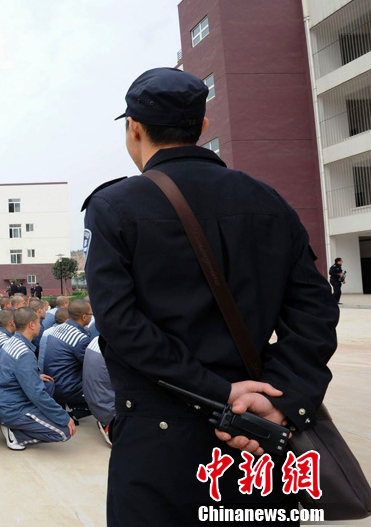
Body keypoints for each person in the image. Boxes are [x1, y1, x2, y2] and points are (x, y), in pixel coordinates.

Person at [83, 67, 338, 525]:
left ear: (134, 128)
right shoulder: (269, 201)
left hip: (160, 439)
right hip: (257, 435)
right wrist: (281, 400)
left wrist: (218, 392)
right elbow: (315, 310)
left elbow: (122, 327)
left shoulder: (114, 208)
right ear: (202, 127)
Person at [0, 308, 76, 450]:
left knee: (48, 384)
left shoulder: (12, 342)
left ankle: (16, 424)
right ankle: (15, 434)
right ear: (31, 325)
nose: (41, 325)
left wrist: (33, 375)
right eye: (39, 322)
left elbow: (9, 371)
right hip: (11, 407)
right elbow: (36, 394)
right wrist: (63, 417)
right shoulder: (24, 353)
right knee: (64, 432)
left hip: (2, 397)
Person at [38, 299, 92, 420]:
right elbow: (92, 367)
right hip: (67, 388)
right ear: (84, 317)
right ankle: (107, 420)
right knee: (106, 383)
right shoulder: (80, 338)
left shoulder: (57, 329)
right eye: (91, 314)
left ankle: (71, 409)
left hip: (53, 382)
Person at [82, 336, 113, 447]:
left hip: (92, 399)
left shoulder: (96, 339)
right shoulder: (119, 344)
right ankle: (110, 426)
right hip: (108, 409)